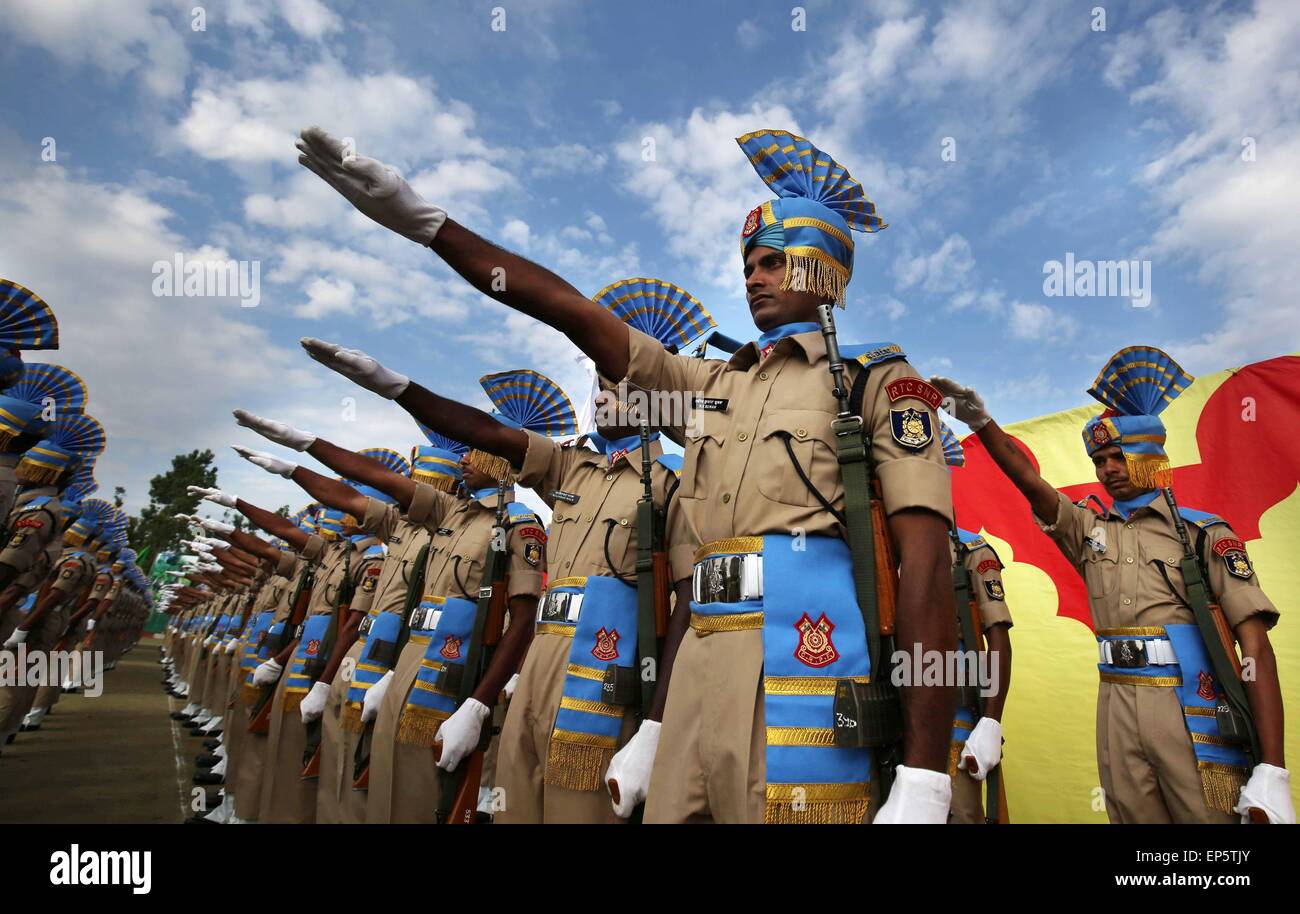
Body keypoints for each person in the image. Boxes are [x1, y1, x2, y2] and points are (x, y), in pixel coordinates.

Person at [296, 124, 958, 823]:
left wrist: (924, 773)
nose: (752, 278)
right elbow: (576, 315)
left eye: (770, 261)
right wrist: (429, 226)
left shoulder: (874, 383)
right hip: (699, 671)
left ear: (821, 265)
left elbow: (923, 568)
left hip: (805, 671)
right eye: (747, 266)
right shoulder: (707, 390)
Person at [932, 346, 1293, 825]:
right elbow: (1028, 482)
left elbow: (1255, 648)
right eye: (1099, 461)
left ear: (1151, 455)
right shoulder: (1089, 528)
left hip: (1190, 703)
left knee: (1208, 820)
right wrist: (981, 423)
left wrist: (1272, 768)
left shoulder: (1203, 534)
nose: (1108, 470)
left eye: (1118, 456)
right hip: (1116, 698)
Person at [937, 423, 1012, 823]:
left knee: (961, 814)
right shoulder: (878, 543)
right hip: (893, 702)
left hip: (955, 709)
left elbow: (997, 638)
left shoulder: (971, 550)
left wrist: (990, 721)